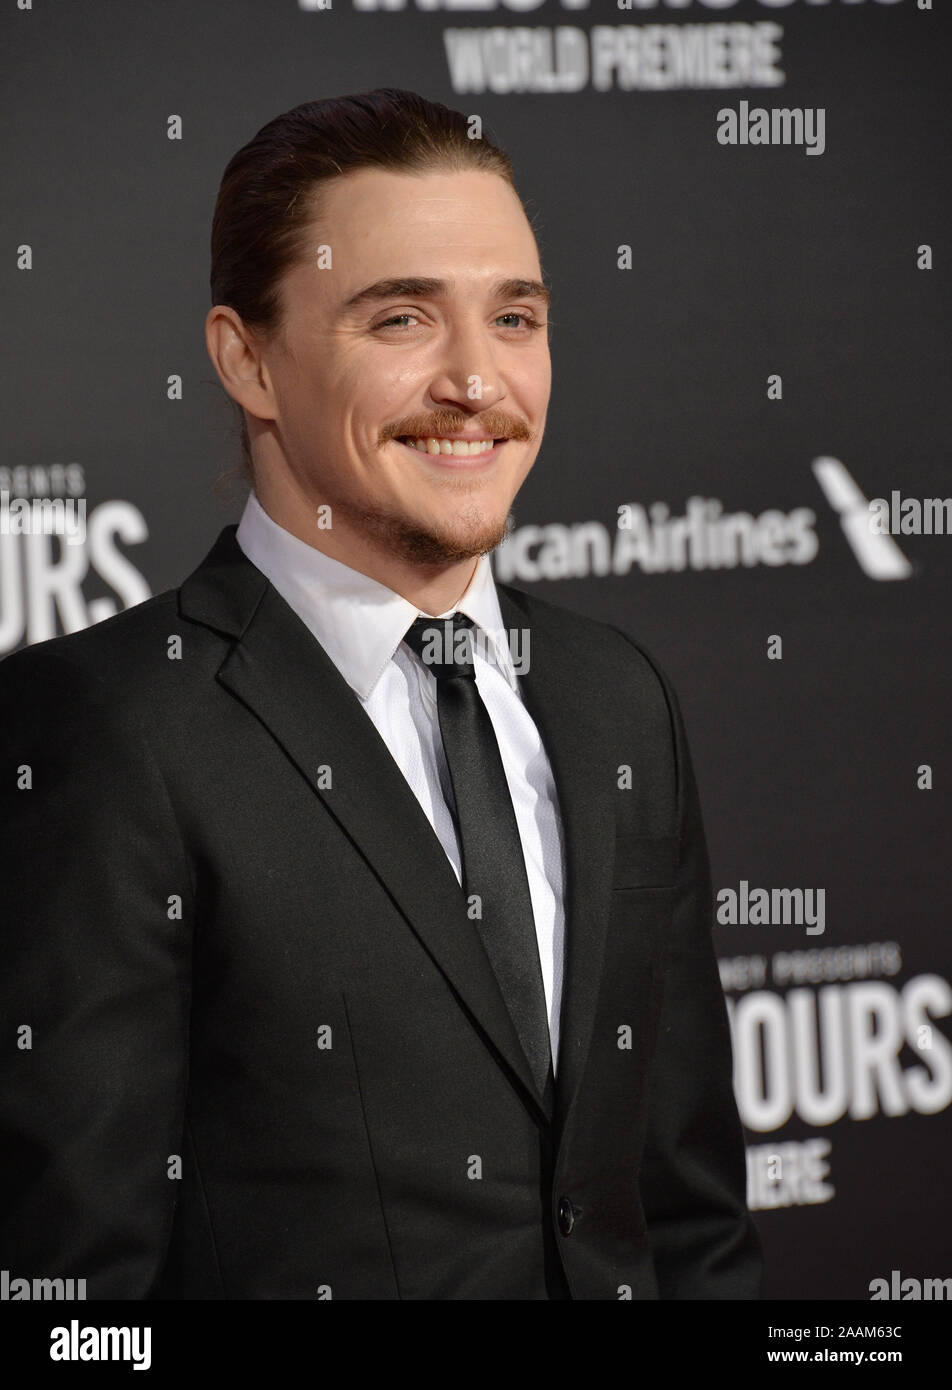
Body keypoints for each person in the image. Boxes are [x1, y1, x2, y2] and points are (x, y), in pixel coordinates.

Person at [0, 89, 763, 1300]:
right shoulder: (104, 728)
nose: (476, 380)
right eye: (401, 317)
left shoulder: (618, 700)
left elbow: (686, 1216)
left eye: (515, 317)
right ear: (246, 357)